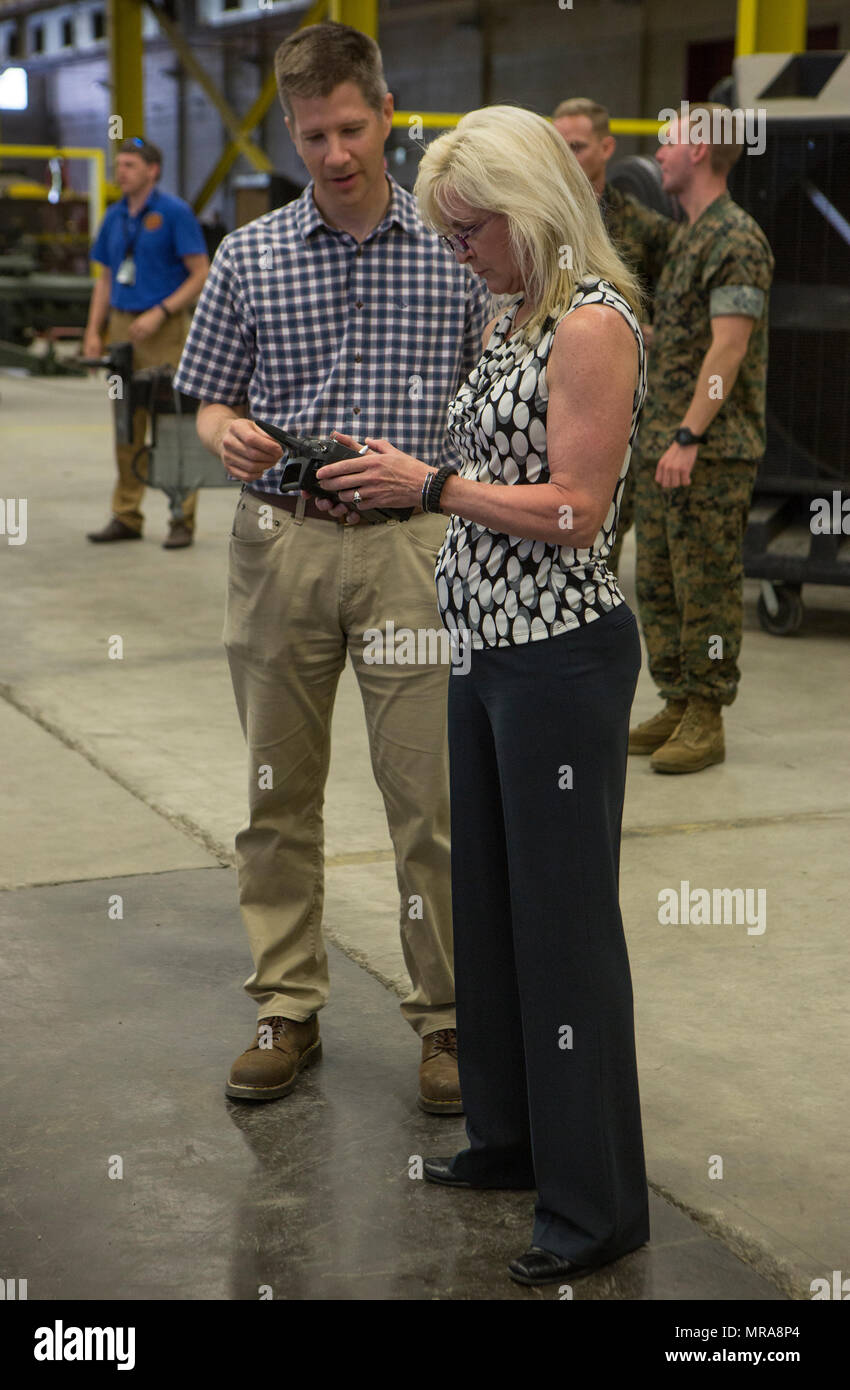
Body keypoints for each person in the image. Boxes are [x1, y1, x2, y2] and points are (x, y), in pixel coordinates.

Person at [315, 104, 650, 1286]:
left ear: (532, 204)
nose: (460, 251)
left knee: (562, 935)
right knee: (495, 916)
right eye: (449, 234)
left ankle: (595, 1201)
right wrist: (392, 481)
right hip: (484, 649)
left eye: (472, 230)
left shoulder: (593, 326)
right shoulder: (512, 314)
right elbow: (480, 479)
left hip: (557, 659)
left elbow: (575, 510)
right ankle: (510, 1139)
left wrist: (435, 484)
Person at [172, 22, 492, 1110]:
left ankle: (445, 1021)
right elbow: (205, 392)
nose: (334, 153)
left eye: (350, 127)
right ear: (290, 130)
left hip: (412, 549)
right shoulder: (251, 256)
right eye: (312, 135)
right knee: (276, 792)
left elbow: (493, 409)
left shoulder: (457, 252)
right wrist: (227, 434)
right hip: (280, 546)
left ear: (385, 112)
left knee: (430, 800)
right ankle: (286, 1006)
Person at [629, 103, 774, 772]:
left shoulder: (735, 239)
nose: (659, 150)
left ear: (703, 151)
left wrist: (689, 434)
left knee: (705, 586)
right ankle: (678, 699)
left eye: (671, 140)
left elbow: (729, 350)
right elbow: (689, 339)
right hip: (664, 442)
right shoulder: (690, 235)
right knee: (659, 584)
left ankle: (708, 714)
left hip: (706, 451)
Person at [552, 97, 675, 578]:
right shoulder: (544, 223)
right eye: (558, 147)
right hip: (545, 395)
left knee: (606, 521)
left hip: (621, 401)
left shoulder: (642, 226)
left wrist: (653, 331)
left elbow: (688, 292)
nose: (567, 158)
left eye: (577, 147)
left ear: (606, 148)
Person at [84, 138, 209, 549]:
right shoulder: (114, 216)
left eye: (131, 165)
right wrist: (93, 331)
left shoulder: (174, 213)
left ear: (153, 170)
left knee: (173, 422)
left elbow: (200, 273)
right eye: (119, 164)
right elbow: (104, 278)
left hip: (165, 330)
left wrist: (162, 311)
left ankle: (181, 518)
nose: (121, 172)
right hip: (122, 329)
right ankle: (126, 513)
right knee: (126, 423)